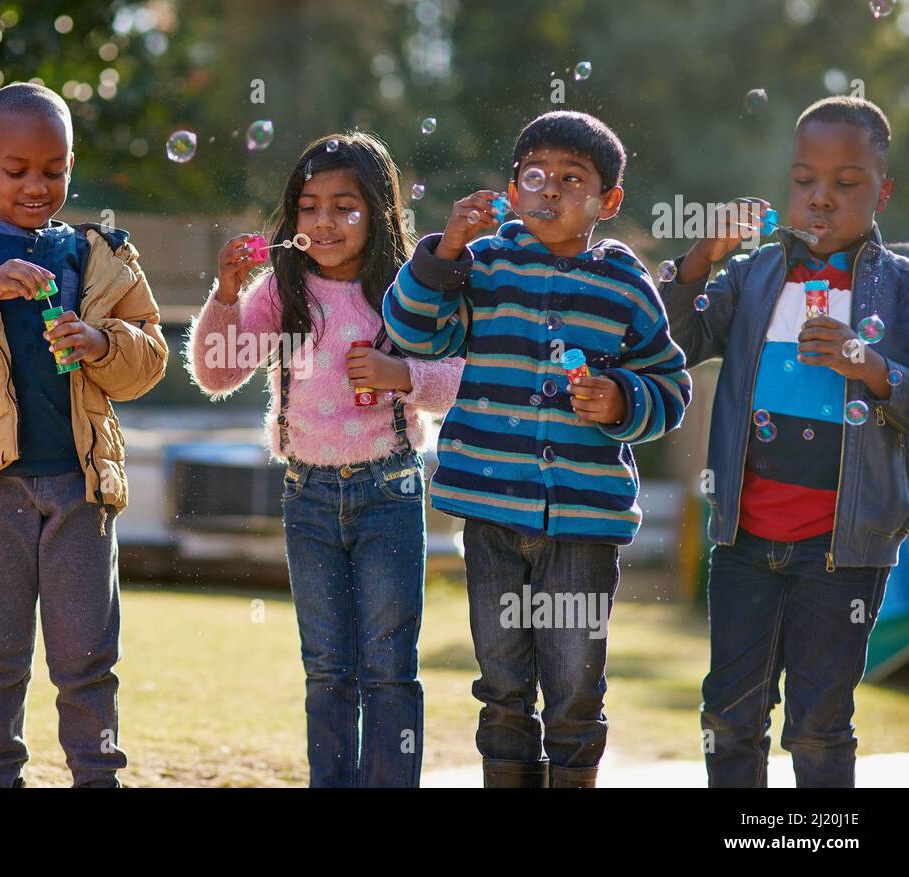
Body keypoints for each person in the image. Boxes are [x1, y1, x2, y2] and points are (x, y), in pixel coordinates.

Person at [384, 111, 691, 787]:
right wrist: (444, 251)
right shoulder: (484, 264)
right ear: (511, 191)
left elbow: (670, 385)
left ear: (609, 201)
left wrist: (622, 398)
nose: (550, 189)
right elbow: (413, 332)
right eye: (535, 176)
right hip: (491, 514)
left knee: (575, 682)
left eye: (572, 179)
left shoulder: (625, 285)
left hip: (584, 524)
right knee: (501, 681)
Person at [0, 82, 167, 787]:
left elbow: (149, 359)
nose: (36, 186)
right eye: (16, 171)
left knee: (88, 652)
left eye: (53, 169)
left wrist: (101, 343)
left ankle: (97, 775)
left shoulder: (101, 253)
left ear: (72, 163)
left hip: (81, 485)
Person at [187, 131, 463, 787]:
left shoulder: (408, 290)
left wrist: (401, 374)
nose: (324, 222)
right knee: (327, 668)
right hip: (306, 495)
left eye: (345, 207)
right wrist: (225, 296)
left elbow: (460, 382)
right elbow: (217, 372)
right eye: (309, 207)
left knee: (388, 668)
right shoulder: (283, 289)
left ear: (380, 212)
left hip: (390, 489)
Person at [658, 96, 905, 787]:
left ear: (883, 192)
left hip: (843, 551)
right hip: (744, 542)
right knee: (729, 715)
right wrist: (701, 258)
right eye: (803, 180)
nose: (820, 197)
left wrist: (872, 367)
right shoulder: (753, 274)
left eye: (846, 182)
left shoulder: (900, 289)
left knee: (818, 724)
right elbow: (674, 341)